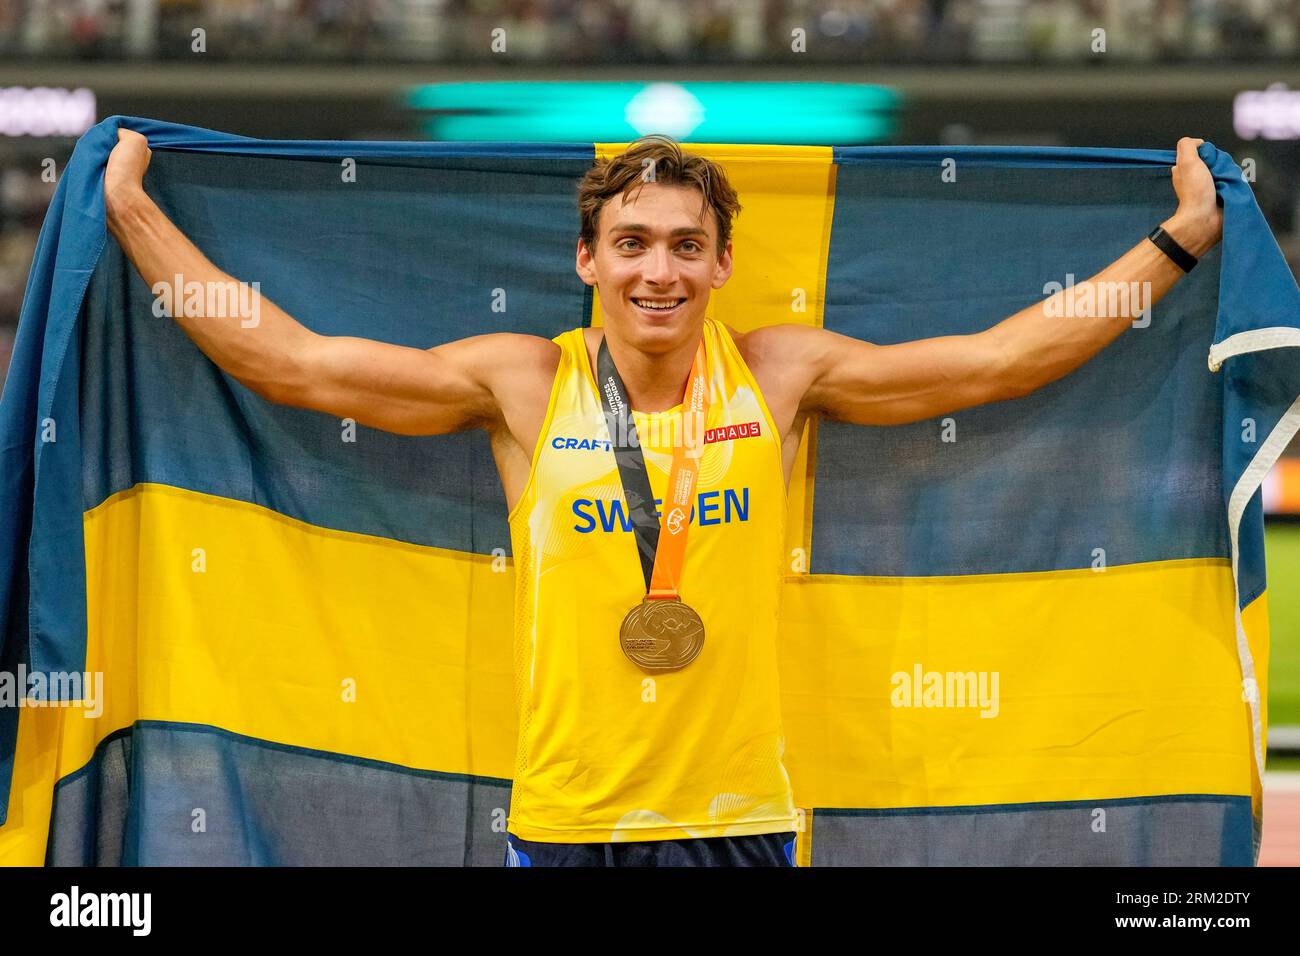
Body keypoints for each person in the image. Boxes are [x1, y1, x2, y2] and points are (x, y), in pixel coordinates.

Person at [103, 129, 1223, 867]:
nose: (659, 271)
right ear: (586, 258)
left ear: (723, 264)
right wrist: (132, 214)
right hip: (565, 817)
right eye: (631, 243)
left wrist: (1178, 240)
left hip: (736, 819)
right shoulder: (522, 383)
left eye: (687, 246)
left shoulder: (781, 375)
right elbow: (299, 366)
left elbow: (994, 362)